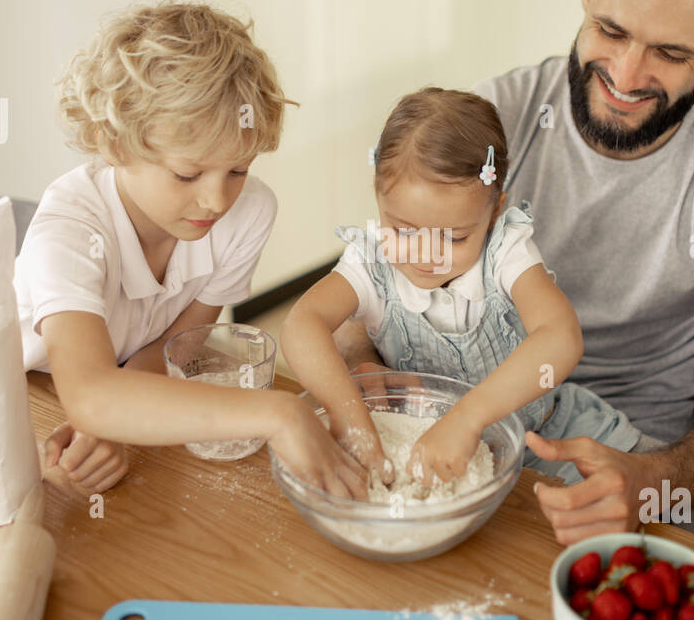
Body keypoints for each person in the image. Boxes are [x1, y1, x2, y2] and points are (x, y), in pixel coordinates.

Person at [337, 0, 694, 546]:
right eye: (611, 30)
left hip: (632, 466)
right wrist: (363, 366)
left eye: (671, 54)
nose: (626, 76)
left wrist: (651, 478)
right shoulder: (499, 120)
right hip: (473, 438)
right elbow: (365, 299)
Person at [14, 0, 368, 500]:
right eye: (187, 174)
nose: (216, 200)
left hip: (111, 391)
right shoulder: (70, 231)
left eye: (238, 170)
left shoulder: (250, 212)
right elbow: (88, 392)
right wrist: (280, 413)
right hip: (26, 395)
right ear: (112, 144)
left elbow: (171, 347)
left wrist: (118, 422)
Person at [281, 87, 655, 490]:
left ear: (494, 210)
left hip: (545, 441)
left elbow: (561, 339)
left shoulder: (504, 252)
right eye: (404, 230)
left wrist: (468, 418)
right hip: (432, 455)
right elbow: (302, 324)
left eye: (455, 238)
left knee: (648, 510)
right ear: (378, 197)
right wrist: (351, 418)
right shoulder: (372, 260)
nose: (426, 254)